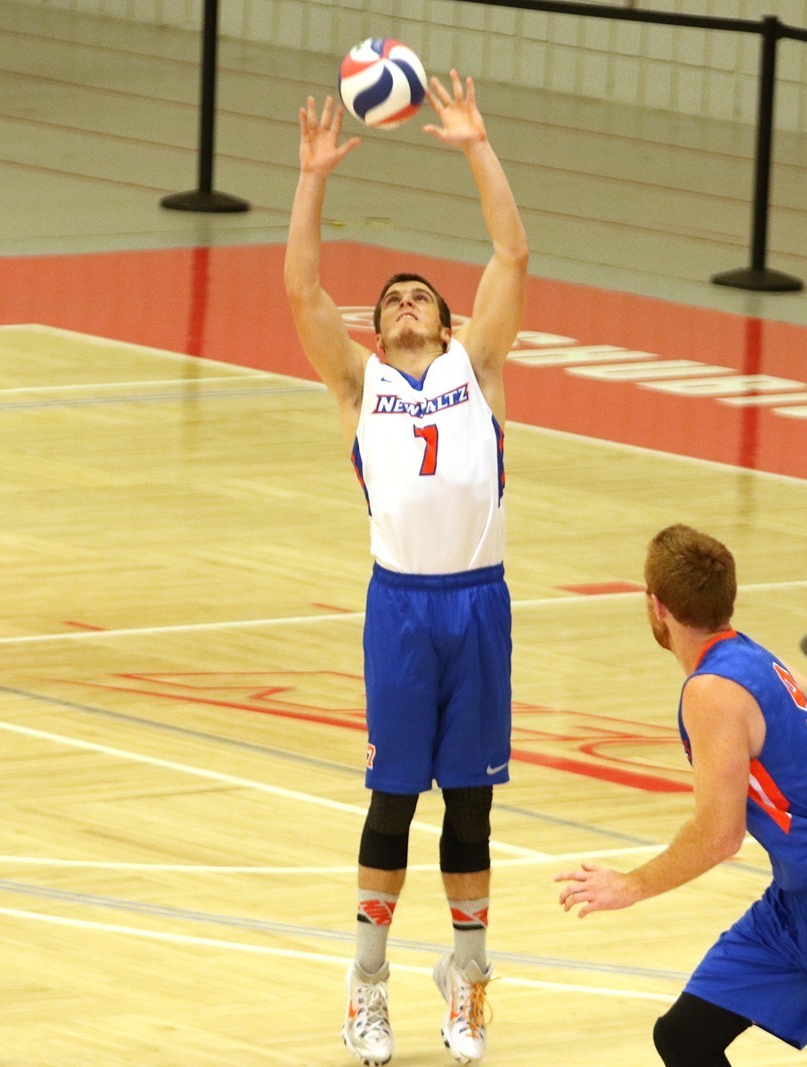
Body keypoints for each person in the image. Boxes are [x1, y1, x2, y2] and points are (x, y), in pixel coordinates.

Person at [284, 74, 528, 1067]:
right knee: (394, 799)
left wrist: (474, 144)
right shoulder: (359, 385)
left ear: (448, 319)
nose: (404, 306)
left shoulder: (481, 367)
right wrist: (310, 181)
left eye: (419, 295)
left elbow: (510, 251)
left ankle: (466, 980)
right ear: (375, 331)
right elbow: (302, 290)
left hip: (478, 602)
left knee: (469, 805)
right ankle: (367, 979)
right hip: (402, 608)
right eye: (389, 303)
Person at [555, 524, 807, 1067]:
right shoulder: (754, 655)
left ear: (656, 606)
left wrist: (631, 885)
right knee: (685, 1038)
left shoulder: (710, 691)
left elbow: (720, 836)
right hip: (797, 907)